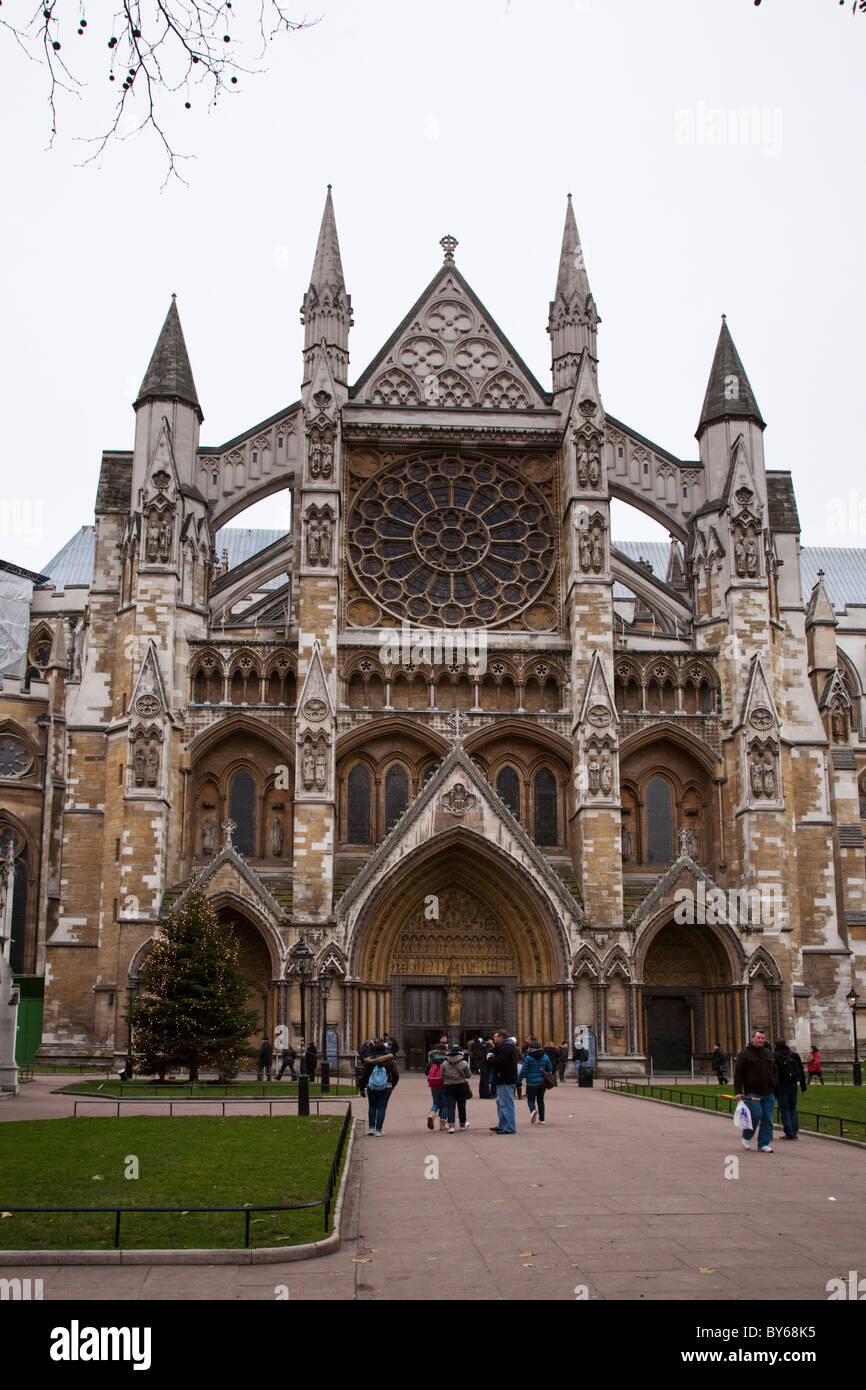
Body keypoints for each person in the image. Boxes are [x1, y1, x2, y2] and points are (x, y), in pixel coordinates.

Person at [734, 1028, 778, 1153]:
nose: (761, 1040)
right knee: (756, 1114)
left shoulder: (769, 1053)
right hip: (752, 1091)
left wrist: (775, 1084)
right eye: (758, 1038)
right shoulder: (744, 1054)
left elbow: (775, 1070)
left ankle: (763, 1144)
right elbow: (739, 1074)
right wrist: (738, 1091)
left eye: (763, 1038)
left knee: (768, 1118)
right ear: (752, 1038)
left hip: (768, 1091)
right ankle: (746, 1137)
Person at [361, 1044, 399, 1135]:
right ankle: (378, 1130)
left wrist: (362, 1088)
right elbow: (396, 1075)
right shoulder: (389, 1060)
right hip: (386, 1086)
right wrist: (393, 1084)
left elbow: (364, 1076)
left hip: (372, 1087)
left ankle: (371, 1129)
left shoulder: (370, 1060)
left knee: (372, 1107)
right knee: (382, 1107)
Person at [774, 1037, 807, 1139]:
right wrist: (803, 1087)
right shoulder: (793, 1054)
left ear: (775, 1045)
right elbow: (801, 1071)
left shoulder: (775, 1055)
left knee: (784, 1109)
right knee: (793, 1108)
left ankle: (789, 1132)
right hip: (793, 1084)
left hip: (781, 1085)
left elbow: (773, 1072)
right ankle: (794, 1130)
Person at [487, 1030, 520, 1134]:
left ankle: (509, 1128)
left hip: (505, 1079)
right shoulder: (507, 1046)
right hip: (504, 1078)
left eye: (495, 1037)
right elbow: (502, 1056)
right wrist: (494, 1049)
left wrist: (490, 1059)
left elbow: (501, 1062)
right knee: (500, 1102)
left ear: (501, 1037)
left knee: (506, 1104)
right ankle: (503, 1125)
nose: (494, 1039)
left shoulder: (506, 1047)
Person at [518, 1040, 553, 1124]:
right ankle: (542, 1119)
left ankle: (533, 1110)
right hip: (542, 1082)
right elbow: (550, 1068)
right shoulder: (545, 1056)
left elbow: (523, 1070)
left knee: (530, 1100)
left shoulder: (528, 1057)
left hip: (531, 1082)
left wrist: (518, 1080)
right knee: (540, 1100)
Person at [441, 1046, 472, 1131]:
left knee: (451, 1107)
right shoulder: (464, 1063)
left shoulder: (444, 1063)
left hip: (449, 1087)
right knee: (462, 1106)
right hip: (461, 1086)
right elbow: (469, 1075)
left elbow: (442, 1076)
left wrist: (448, 1080)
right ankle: (462, 1125)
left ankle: (451, 1126)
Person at [425, 1035, 449, 1130]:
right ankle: (443, 1124)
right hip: (444, 1082)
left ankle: (431, 1114)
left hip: (434, 1082)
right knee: (444, 1104)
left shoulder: (431, 1058)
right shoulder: (447, 1058)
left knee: (436, 1102)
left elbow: (426, 1071)